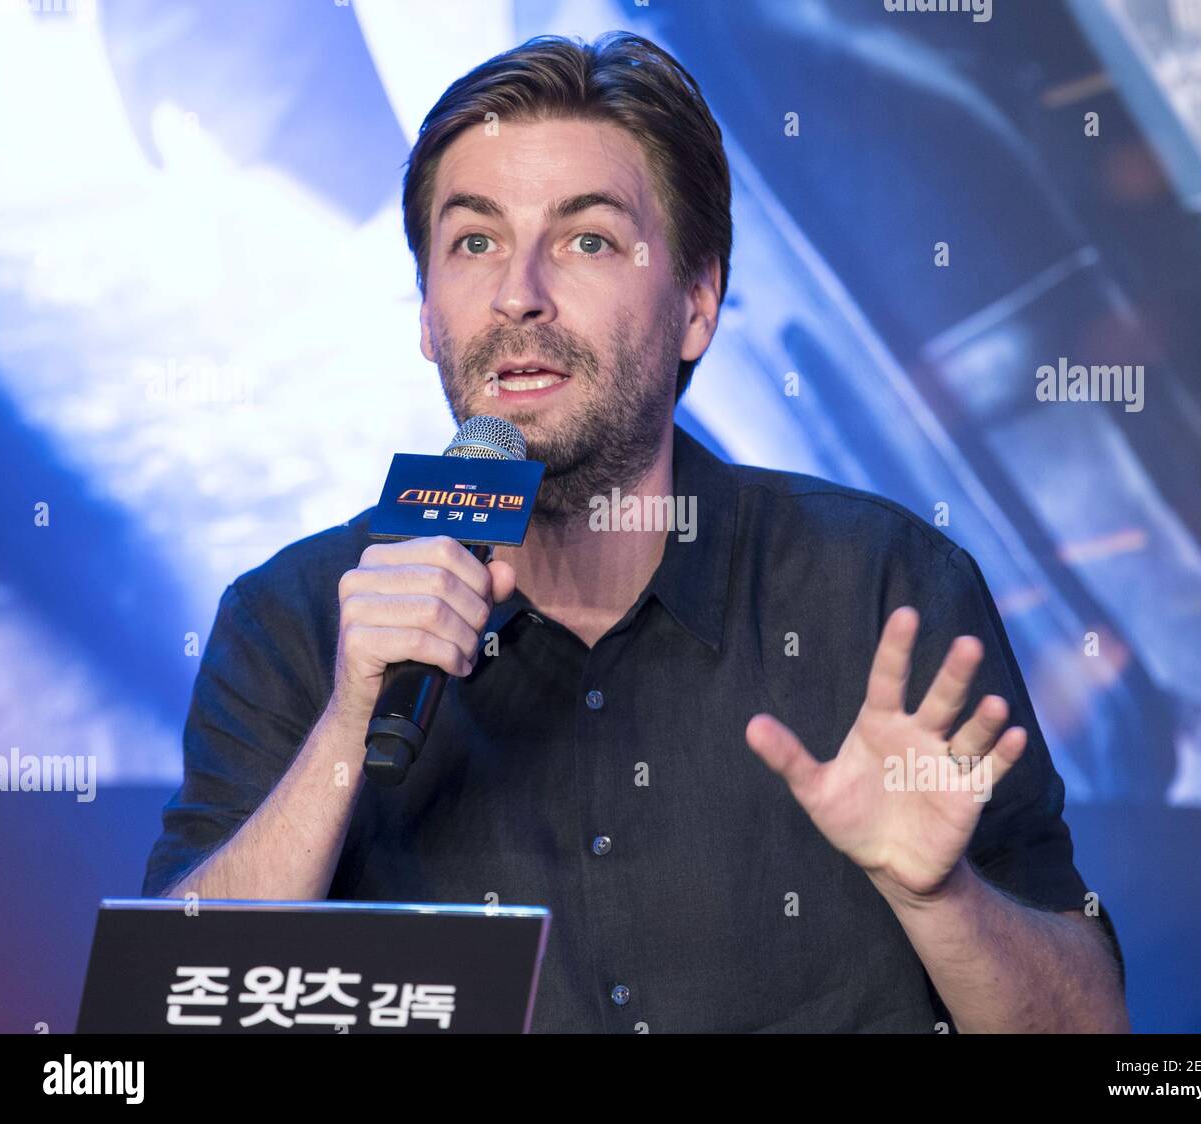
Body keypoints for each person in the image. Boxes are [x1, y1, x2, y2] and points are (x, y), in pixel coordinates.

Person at [143, 31, 1128, 1033]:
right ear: (427, 315)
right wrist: (350, 725)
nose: (518, 289)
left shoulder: (876, 585)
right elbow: (159, 1022)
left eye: (587, 240)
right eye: (473, 241)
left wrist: (939, 897)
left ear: (697, 304)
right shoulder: (294, 619)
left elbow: (1091, 1031)